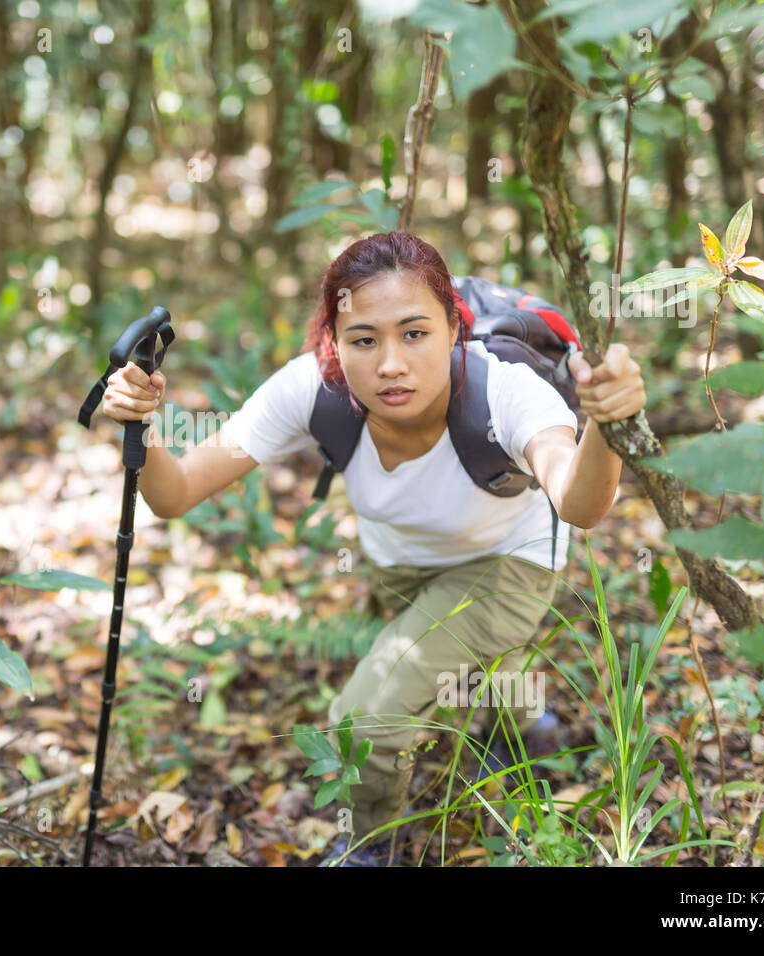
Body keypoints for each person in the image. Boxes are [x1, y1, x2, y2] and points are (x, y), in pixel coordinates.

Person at [99, 231, 646, 866]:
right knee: (455, 652)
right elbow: (176, 494)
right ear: (335, 339)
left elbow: (579, 505)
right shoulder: (312, 389)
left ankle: (370, 845)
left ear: (452, 328)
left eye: (415, 334)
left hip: (509, 563)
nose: (390, 363)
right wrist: (141, 426)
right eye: (364, 340)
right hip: (403, 565)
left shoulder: (506, 391)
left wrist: (606, 424)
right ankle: (526, 725)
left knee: (367, 715)